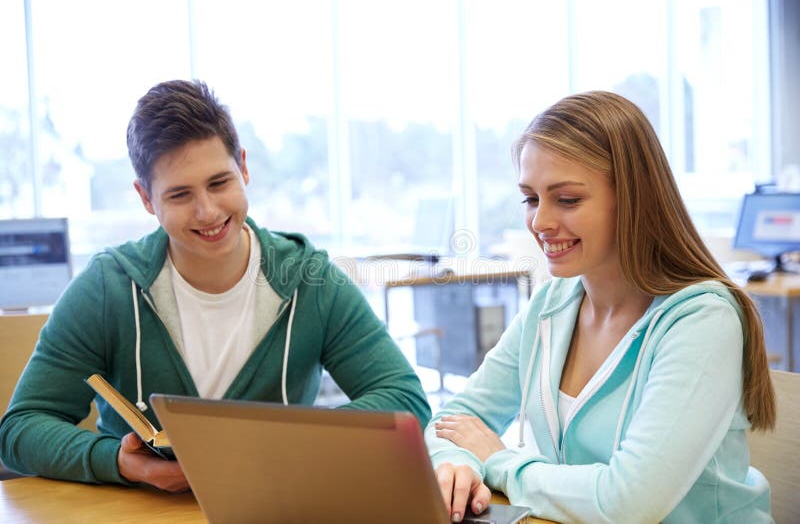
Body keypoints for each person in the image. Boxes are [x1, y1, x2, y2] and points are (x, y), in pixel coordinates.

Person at [0, 79, 430, 492]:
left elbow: (405, 398)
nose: (207, 212)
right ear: (146, 198)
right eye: (180, 195)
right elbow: (20, 429)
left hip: (275, 505)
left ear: (243, 166)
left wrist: (300, 443)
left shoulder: (310, 280)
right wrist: (120, 463)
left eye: (220, 183)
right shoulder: (107, 288)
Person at [426, 91, 776, 523]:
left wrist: (499, 461)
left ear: (633, 197)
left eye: (567, 199)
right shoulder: (552, 306)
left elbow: (628, 502)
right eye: (531, 199)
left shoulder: (703, 321)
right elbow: (453, 421)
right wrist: (457, 465)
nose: (540, 222)